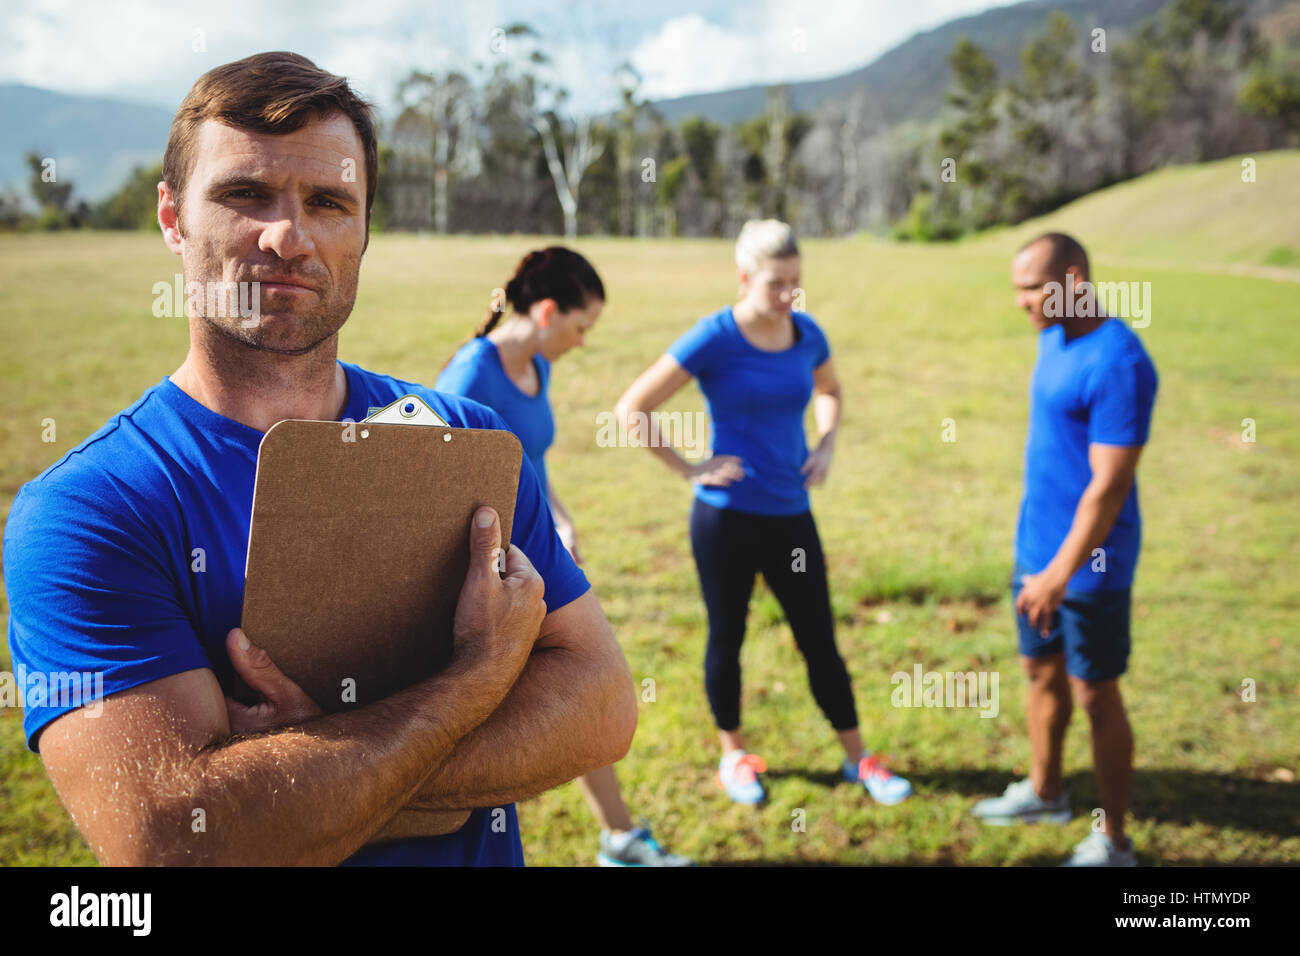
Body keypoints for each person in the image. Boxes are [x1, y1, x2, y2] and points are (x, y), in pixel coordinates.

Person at [2, 51, 637, 866]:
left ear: (365, 227)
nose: (289, 237)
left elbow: (603, 707)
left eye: (330, 202)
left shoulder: (463, 437)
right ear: (171, 217)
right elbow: (170, 839)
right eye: (244, 194)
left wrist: (311, 770)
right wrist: (473, 687)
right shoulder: (91, 508)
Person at [614, 219, 912, 807]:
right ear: (744, 278)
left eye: (796, 283)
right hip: (725, 519)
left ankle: (859, 759)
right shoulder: (714, 336)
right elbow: (634, 407)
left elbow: (830, 390)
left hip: (791, 517)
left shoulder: (807, 334)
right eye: (776, 284)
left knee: (819, 638)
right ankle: (735, 754)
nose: (788, 297)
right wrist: (689, 468)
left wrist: (826, 444)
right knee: (728, 636)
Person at [435, 247, 690, 867]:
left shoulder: (537, 369)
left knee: (573, 689)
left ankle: (619, 838)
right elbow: (439, 488)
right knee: (516, 710)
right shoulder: (469, 376)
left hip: (538, 560)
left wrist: (560, 518)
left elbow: (530, 468)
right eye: (581, 328)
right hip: (489, 577)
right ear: (547, 312)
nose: (583, 343)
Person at [971, 232, 1157, 867]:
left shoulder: (1118, 363)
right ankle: (1046, 791)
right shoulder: (1054, 338)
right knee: (1039, 672)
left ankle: (1114, 840)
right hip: (1037, 554)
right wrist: (1037, 563)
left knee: (1095, 695)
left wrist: (1059, 572)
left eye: (1031, 287)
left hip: (1089, 567)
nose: (1021, 301)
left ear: (1072, 278)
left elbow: (1107, 490)